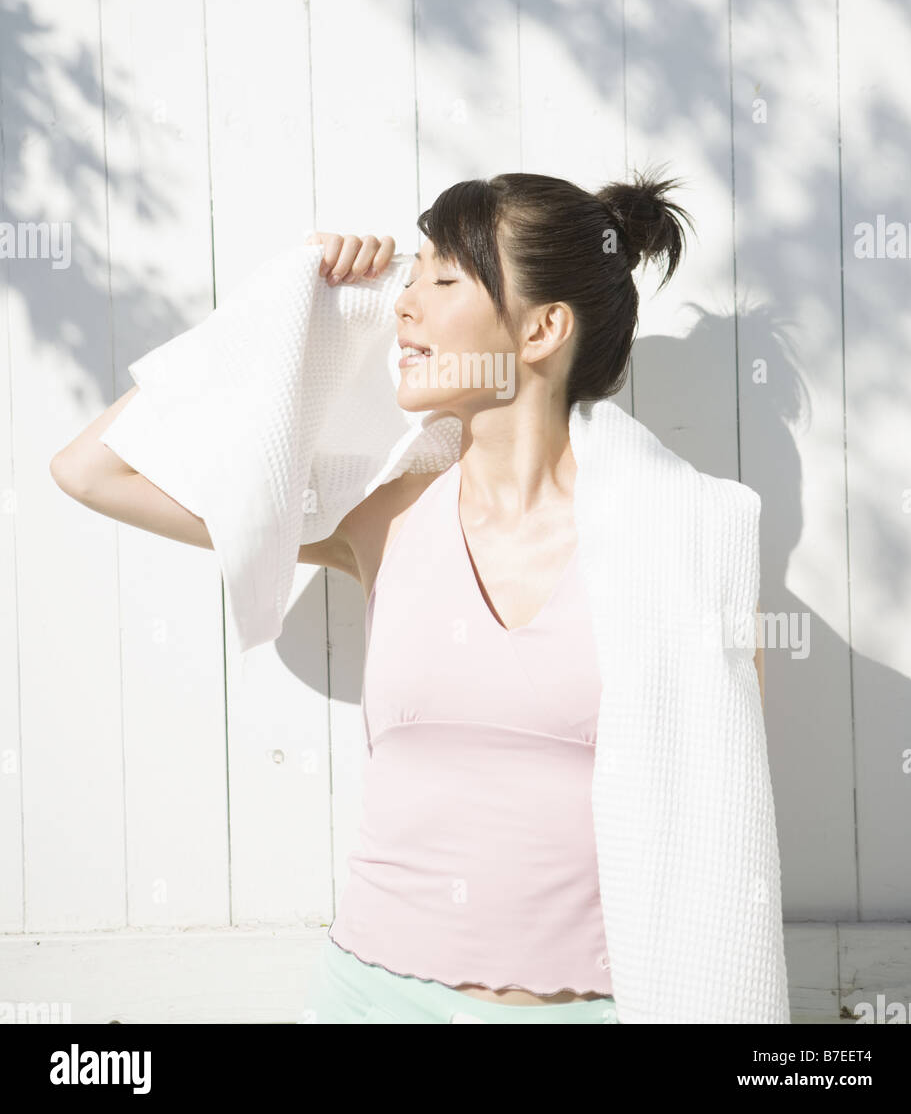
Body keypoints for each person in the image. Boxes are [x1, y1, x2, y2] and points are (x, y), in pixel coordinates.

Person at [51, 170, 768, 1025]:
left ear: (543, 329)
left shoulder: (682, 541)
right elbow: (92, 471)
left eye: (441, 278)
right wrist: (288, 307)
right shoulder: (384, 519)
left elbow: (722, 830)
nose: (404, 303)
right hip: (365, 995)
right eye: (408, 274)